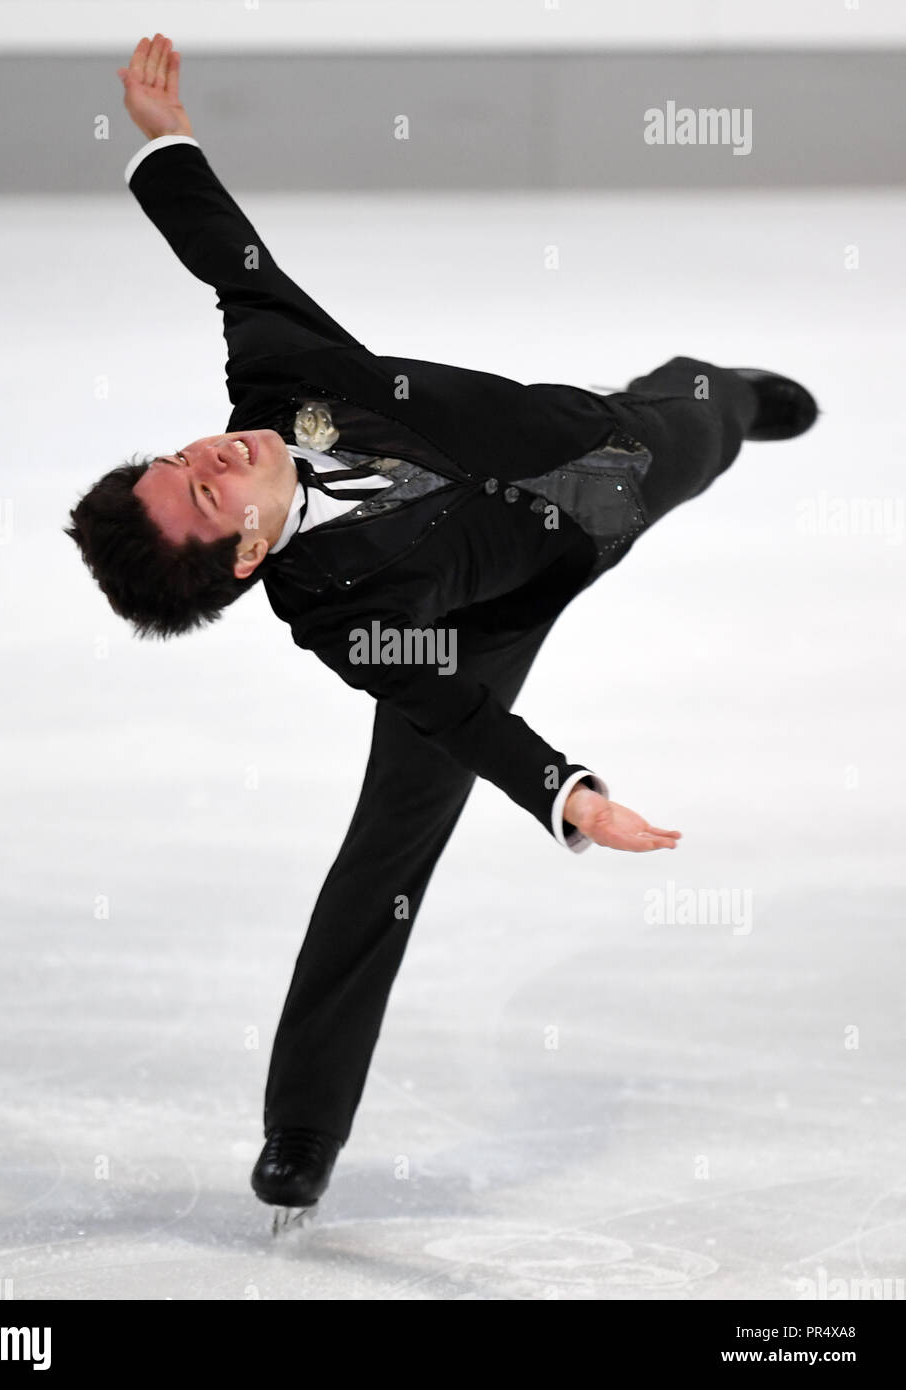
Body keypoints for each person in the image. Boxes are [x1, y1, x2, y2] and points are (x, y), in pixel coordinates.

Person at [66, 35, 818, 1218]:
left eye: (181, 457)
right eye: (205, 494)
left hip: (606, 460)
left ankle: (726, 388)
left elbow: (228, 256)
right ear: (247, 556)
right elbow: (455, 710)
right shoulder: (332, 605)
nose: (211, 455)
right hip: (465, 630)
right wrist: (566, 793)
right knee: (387, 850)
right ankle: (303, 1126)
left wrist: (165, 138)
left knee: (701, 413)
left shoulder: (284, 374)